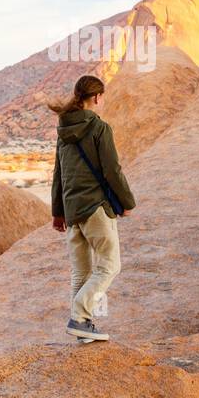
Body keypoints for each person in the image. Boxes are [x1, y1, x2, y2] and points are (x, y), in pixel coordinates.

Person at [50, 75, 136, 342]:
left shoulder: (63, 130)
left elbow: (58, 174)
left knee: (82, 272)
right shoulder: (99, 127)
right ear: (97, 97)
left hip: (72, 209)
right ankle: (79, 316)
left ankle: (83, 329)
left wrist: (57, 212)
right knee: (111, 264)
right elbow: (111, 169)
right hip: (95, 206)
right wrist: (127, 202)